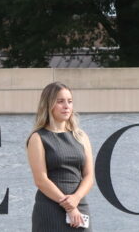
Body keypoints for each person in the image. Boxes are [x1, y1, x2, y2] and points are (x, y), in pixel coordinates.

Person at [26, 82, 95, 230]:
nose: (66, 106)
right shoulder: (38, 137)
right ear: (48, 105)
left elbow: (89, 176)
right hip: (50, 208)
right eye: (60, 101)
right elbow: (41, 180)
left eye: (69, 101)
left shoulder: (81, 136)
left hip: (79, 206)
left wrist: (75, 200)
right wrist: (69, 207)